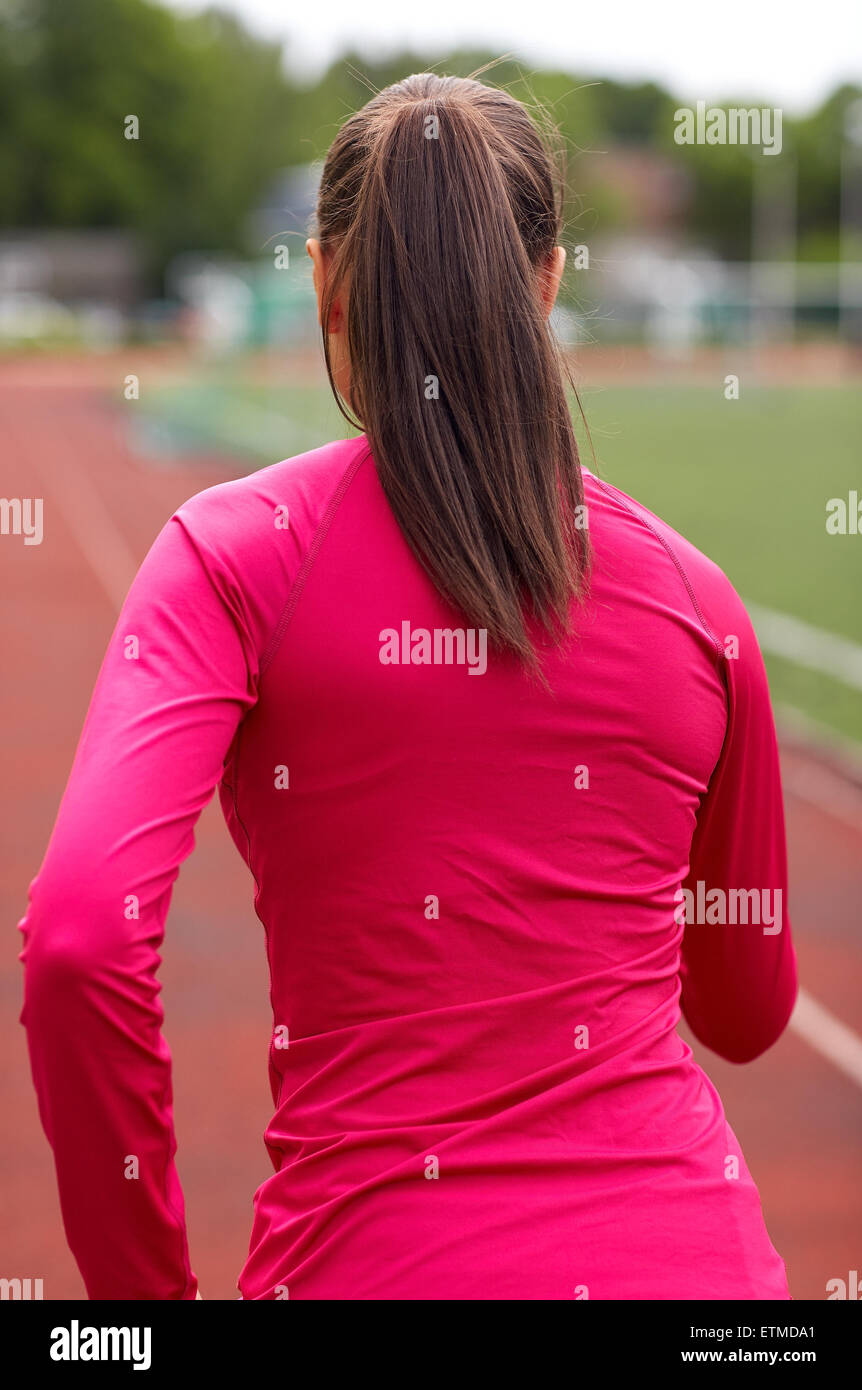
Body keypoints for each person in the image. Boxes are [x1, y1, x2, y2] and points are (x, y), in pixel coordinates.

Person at [18, 72, 797, 1300]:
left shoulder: (233, 553)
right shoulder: (702, 608)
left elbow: (76, 943)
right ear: (544, 284)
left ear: (328, 284)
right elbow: (748, 1013)